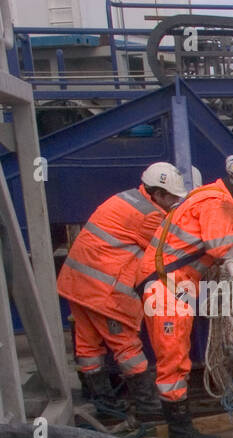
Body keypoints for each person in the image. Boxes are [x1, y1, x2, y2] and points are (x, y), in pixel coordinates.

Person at [139, 155, 233, 438]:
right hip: (166, 287)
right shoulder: (219, 203)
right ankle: (180, 431)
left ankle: (179, 425)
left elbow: (216, 241)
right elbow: (219, 248)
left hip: (170, 283)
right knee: (173, 361)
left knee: (175, 357)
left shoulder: (212, 197)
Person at [57, 161, 187, 419]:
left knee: (88, 347)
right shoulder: (150, 216)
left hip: (77, 284)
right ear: (157, 193)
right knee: (127, 349)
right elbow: (172, 251)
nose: (174, 202)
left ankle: (104, 406)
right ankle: (149, 408)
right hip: (103, 292)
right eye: (172, 197)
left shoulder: (126, 198)